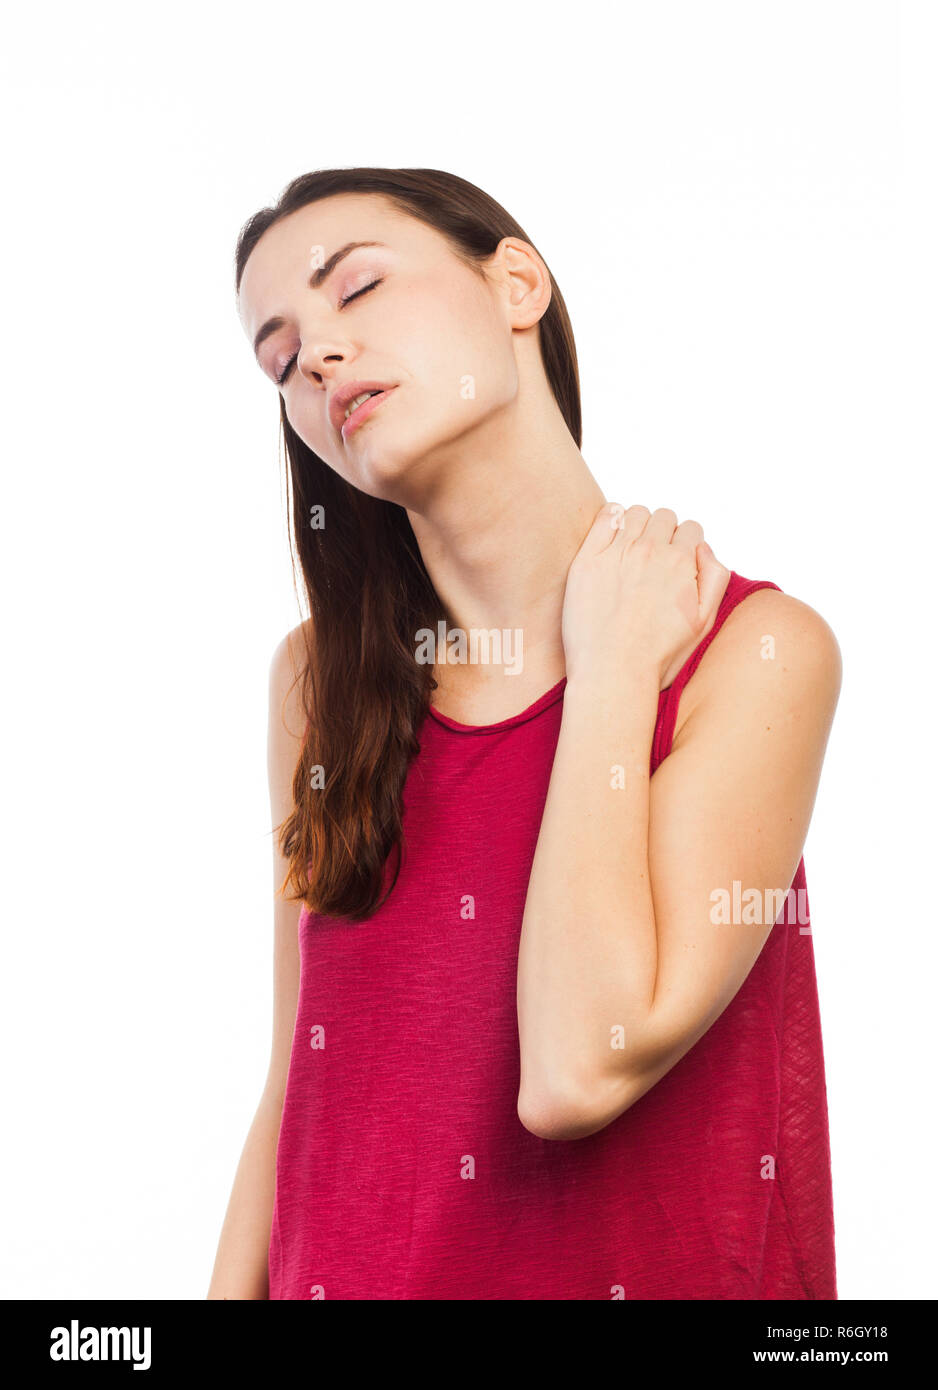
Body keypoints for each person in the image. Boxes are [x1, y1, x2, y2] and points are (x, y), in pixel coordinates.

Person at [208, 167, 841, 1300]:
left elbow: (575, 1068)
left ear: (515, 281)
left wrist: (605, 669)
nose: (316, 355)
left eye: (356, 286)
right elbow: (297, 1084)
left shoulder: (749, 652)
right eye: (278, 357)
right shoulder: (316, 684)